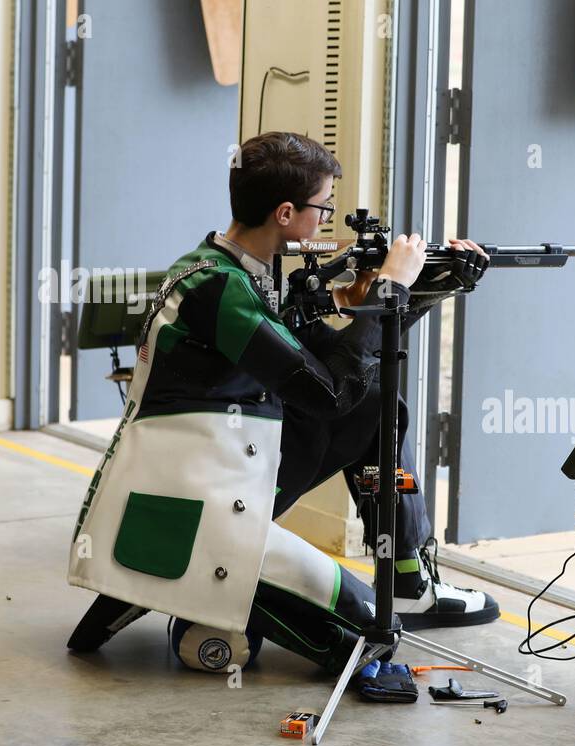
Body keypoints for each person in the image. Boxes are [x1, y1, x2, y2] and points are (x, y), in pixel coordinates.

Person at [66, 131, 497, 677]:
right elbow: (327, 392)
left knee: (374, 404)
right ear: (287, 211)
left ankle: (409, 576)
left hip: (233, 471)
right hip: (196, 502)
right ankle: (197, 596)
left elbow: (342, 372)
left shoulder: (245, 273)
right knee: (372, 630)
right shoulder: (218, 289)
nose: (328, 220)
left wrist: (431, 288)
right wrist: (391, 286)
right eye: (324, 207)